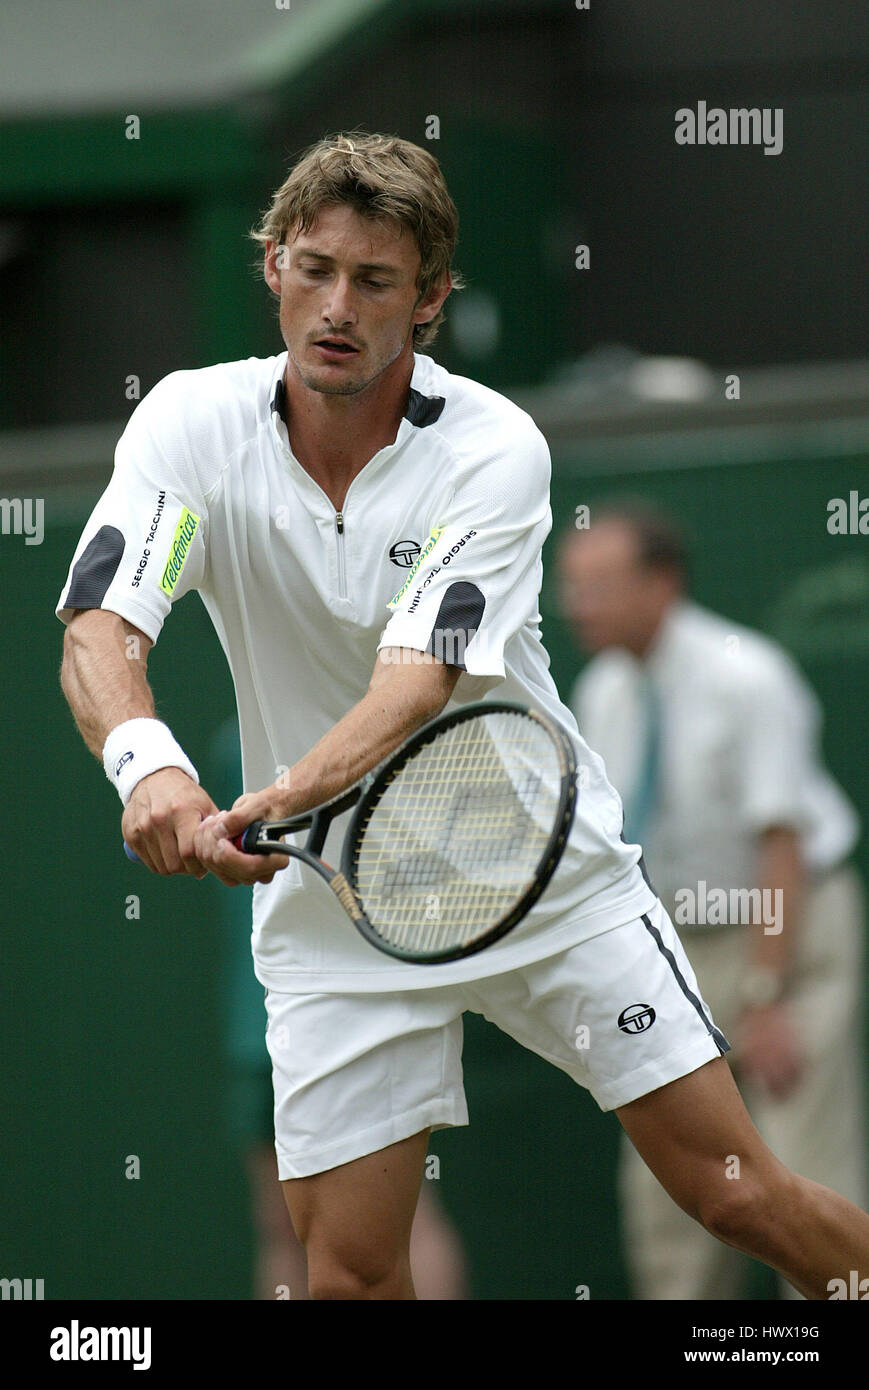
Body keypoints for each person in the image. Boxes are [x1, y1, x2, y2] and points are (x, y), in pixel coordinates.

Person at [57, 131, 869, 1301]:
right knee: (346, 1274)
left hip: (539, 874)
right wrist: (148, 770)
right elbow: (101, 625)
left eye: (375, 281)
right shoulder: (190, 428)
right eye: (314, 267)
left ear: (429, 298)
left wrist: (274, 798)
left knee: (736, 1193)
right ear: (273, 264)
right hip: (335, 911)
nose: (336, 306)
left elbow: (413, 680)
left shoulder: (491, 448)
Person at [559, 500, 868, 1300]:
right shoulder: (600, 691)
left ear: (661, 585)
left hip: (787, 934)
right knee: (674, 1194)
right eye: (571, 587)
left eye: (597, 585)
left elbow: (781, 840)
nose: (575, 606)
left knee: (804, 1171)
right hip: (677, 952)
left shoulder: (746, 674)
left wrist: (767, 997)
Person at [209, 715, 469, 1300]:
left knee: (397, 1226)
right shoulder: (236, 742)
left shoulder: (370, 733)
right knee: (282, 1226)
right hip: (259, 1023)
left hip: (357, 1000)